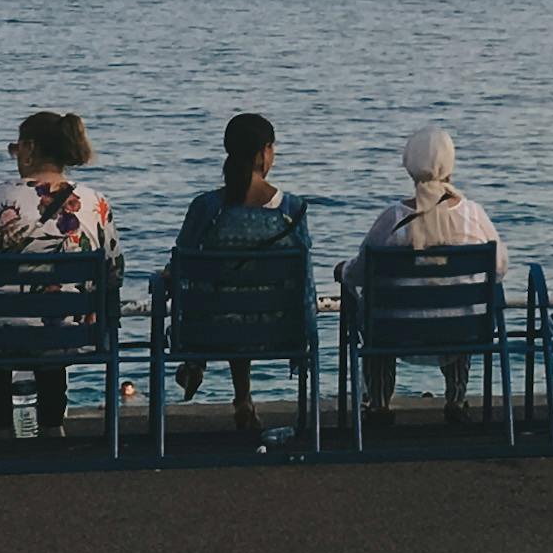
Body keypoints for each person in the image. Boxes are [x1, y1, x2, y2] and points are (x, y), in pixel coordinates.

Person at [0, 111, 121, 443]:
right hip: (75, 334)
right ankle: (52, 424)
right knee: (54, 316)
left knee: (3, 317)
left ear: (30, 149)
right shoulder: (94, 202)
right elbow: (114, 271)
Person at [344, 127, 507, 430]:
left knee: (370, 304)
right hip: (463, 332)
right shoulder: (474, 215)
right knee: (461, 303)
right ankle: (456, 400)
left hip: (394, 333)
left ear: (409, 165)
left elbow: (359, 273)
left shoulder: (392, 219)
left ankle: (379, 404)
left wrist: (342, 271)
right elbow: (499, 268)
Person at [171, 111, 308, 435]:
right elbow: (303, 276)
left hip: (209, 331)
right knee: (247, 297)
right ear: (264, 153)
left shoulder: (206, 208)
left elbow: (181, 264)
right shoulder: (292, 209)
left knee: (227, 297)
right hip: (278, 328)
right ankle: (242, 399)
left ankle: (203, 368)